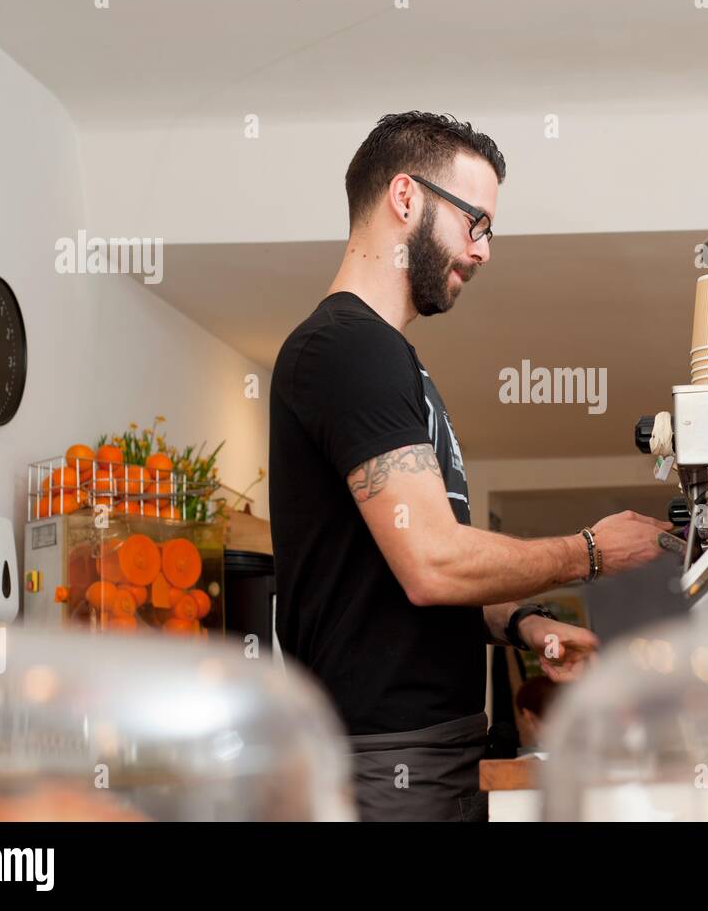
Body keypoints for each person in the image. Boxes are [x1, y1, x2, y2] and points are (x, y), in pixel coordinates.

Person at [269, 111, 672, 821]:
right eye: (474, 223)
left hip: (433, 749)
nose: (483, 251)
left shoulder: (392, 363)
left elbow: (430, 563)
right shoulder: (345, 350)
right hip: (386, 761)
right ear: (405, 198)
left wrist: (525, 625)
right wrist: (589, 554)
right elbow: (432, 565)